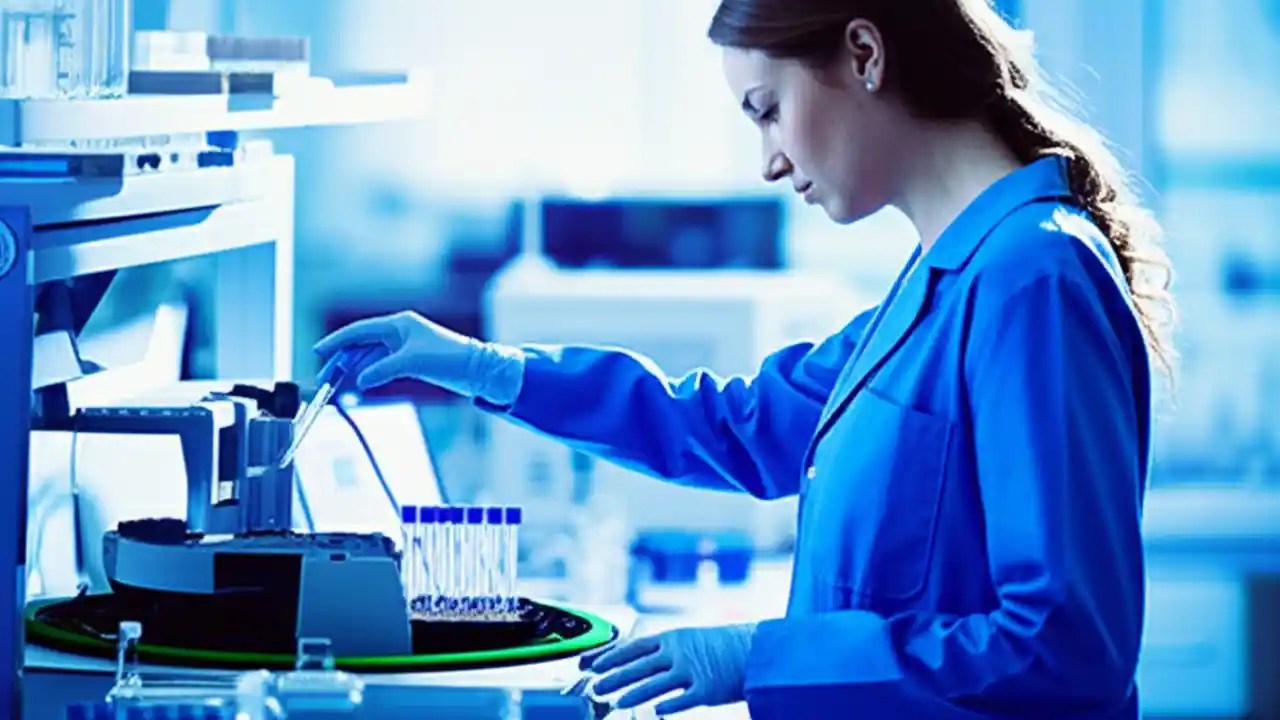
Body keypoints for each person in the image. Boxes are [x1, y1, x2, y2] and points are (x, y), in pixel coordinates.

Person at [316, 0, 1176, 716]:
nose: (768, 160)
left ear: (865, 54)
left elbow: (1065, 647)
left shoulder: (1035, 279)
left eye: (767, 109)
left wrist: (761, 656)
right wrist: (479, 367)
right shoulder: (947, 276)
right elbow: (744, 425)